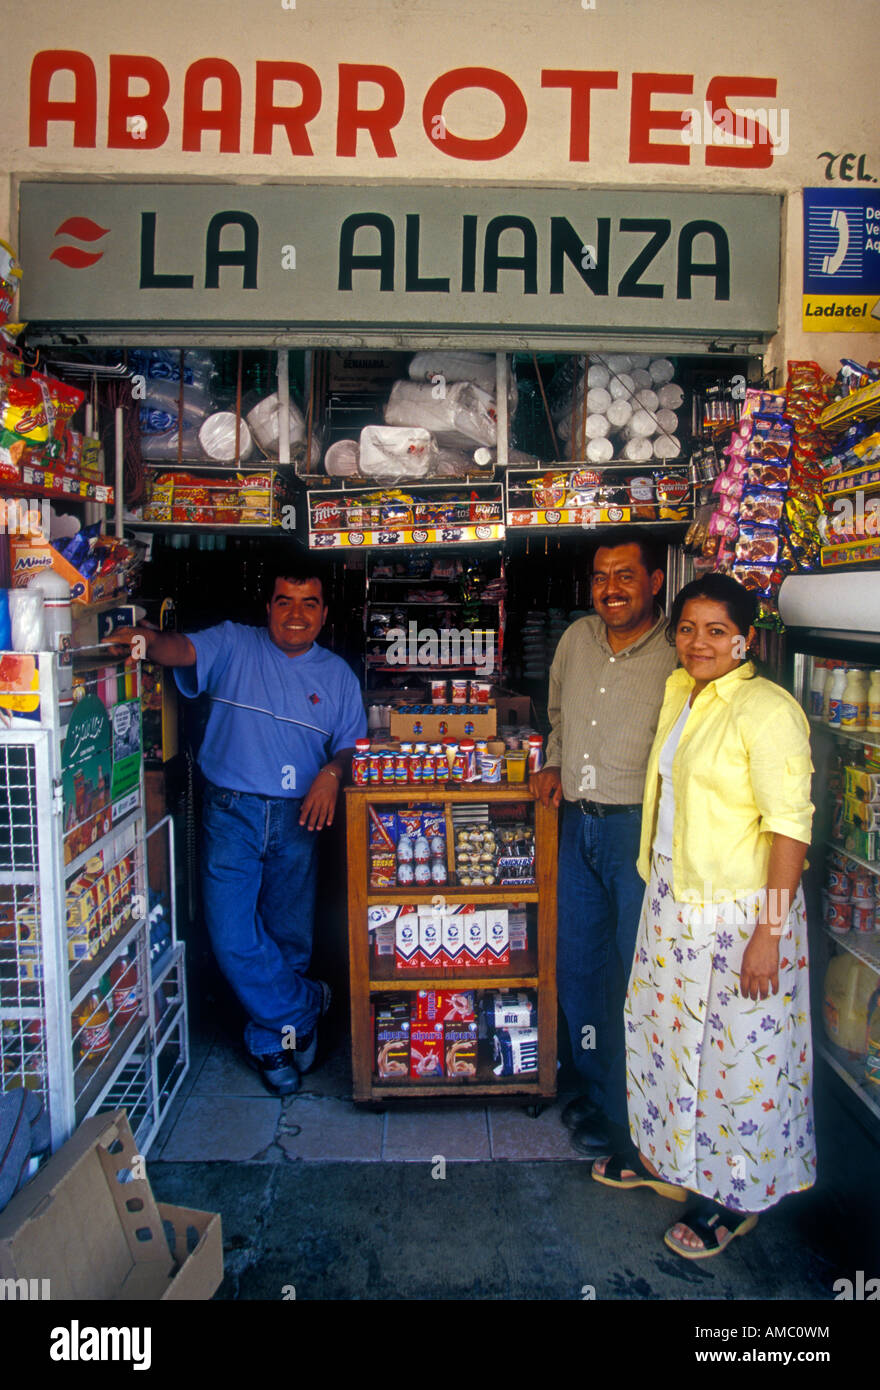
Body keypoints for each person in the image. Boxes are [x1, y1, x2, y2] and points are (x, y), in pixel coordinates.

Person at [593, 572, 816, 1260]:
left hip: (741, 917)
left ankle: (732, 1202)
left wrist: (768, 936)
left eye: (716, 630)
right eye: (687, 628)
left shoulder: (766, 709)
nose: (698, 642)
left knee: (736, 1060)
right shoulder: (681, 691)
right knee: (668, 1043)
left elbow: (790, 830)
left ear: (745, 638)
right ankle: (670, 1166)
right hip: (674, 900)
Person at [104, 560, 366, 1097]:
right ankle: (308, 1005)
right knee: (230, 936)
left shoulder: (337, 675)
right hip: (230, 812)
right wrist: (147, 641)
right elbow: (181, 650)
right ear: (267, 607)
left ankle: (275, 1037)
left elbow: (350, 746)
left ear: (322, 614)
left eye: (308, 603)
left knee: (288, 937)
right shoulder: (234, 644)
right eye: (284, 602)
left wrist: (332, 774)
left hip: (299, 816)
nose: (296, 615)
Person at [530, 530, 678, 1159]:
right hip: (577, 824)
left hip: (637, 830)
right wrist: (555, 762)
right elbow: (559, 712)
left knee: (635, 970)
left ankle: (631, 1111)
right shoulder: (576, 640)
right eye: (600, 577)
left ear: (655, 582)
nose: (610, 590)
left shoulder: (679, 652)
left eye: (624, 576)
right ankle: (594, 1081)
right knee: (580, 966)